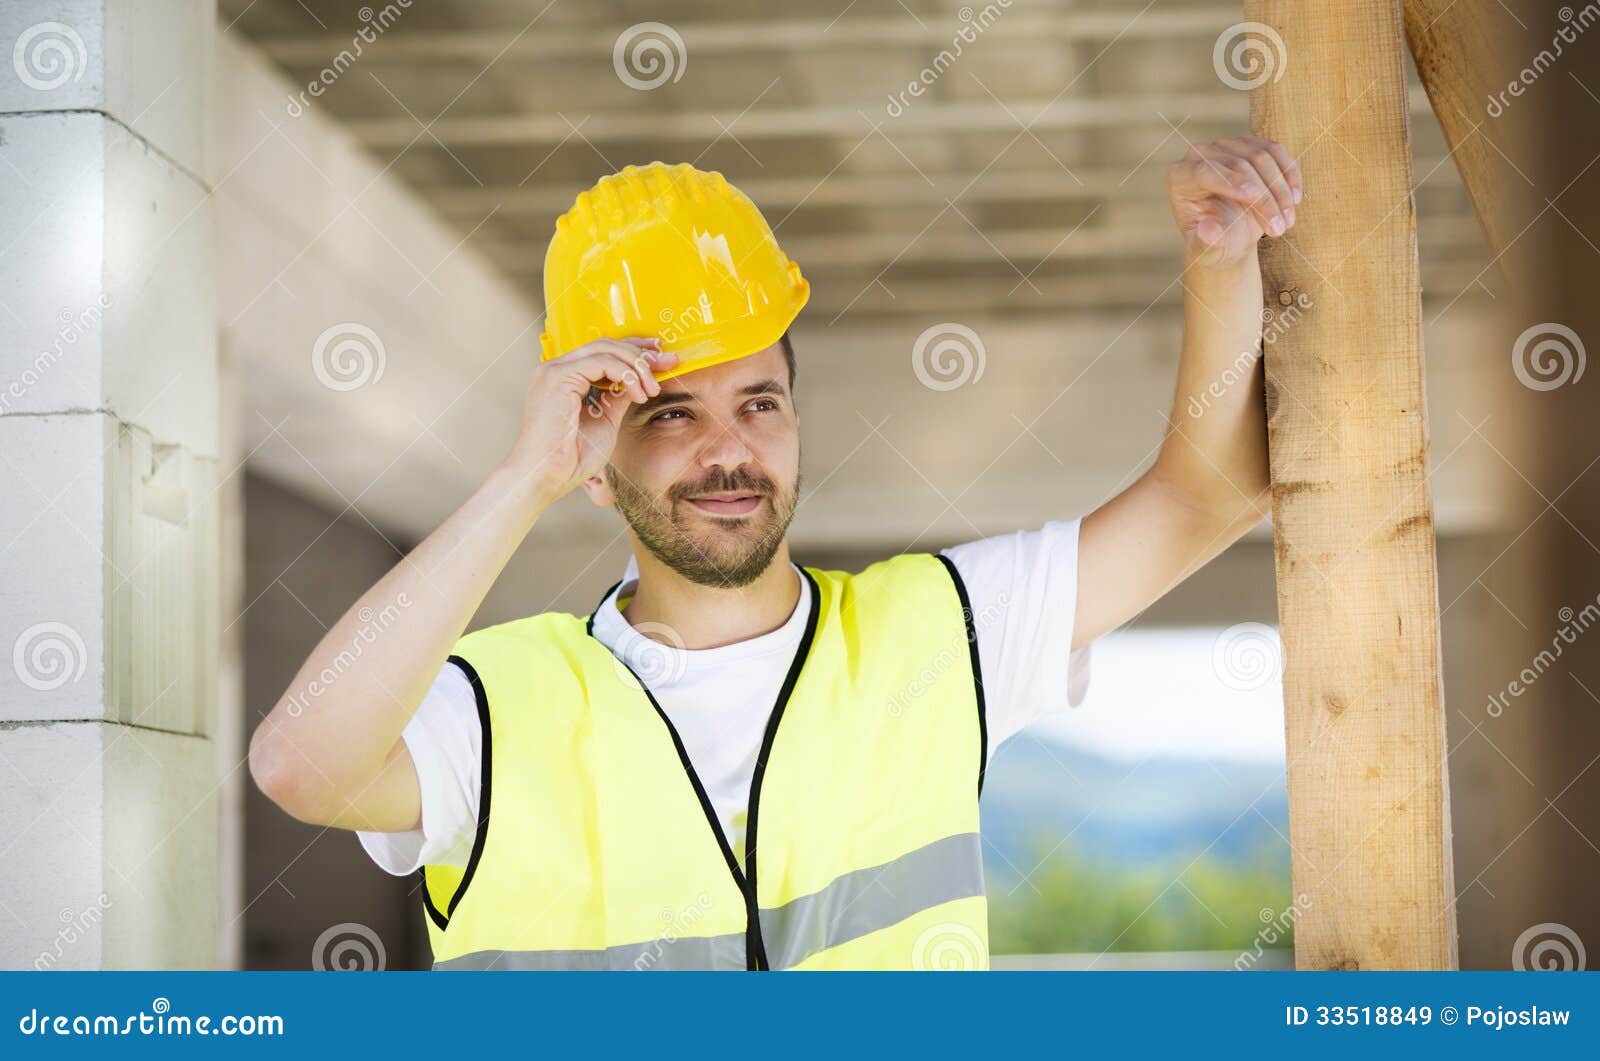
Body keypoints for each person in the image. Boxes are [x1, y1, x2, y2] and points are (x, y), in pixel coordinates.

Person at [250, 140, 1302, 970]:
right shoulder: (495, 702)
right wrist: (520, 480)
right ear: (592, 452)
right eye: (669, 414)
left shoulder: (939, 631)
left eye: (760, 401)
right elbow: (302, 765)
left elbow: (1208, 495)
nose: (728, 449)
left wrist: (1217, 263)